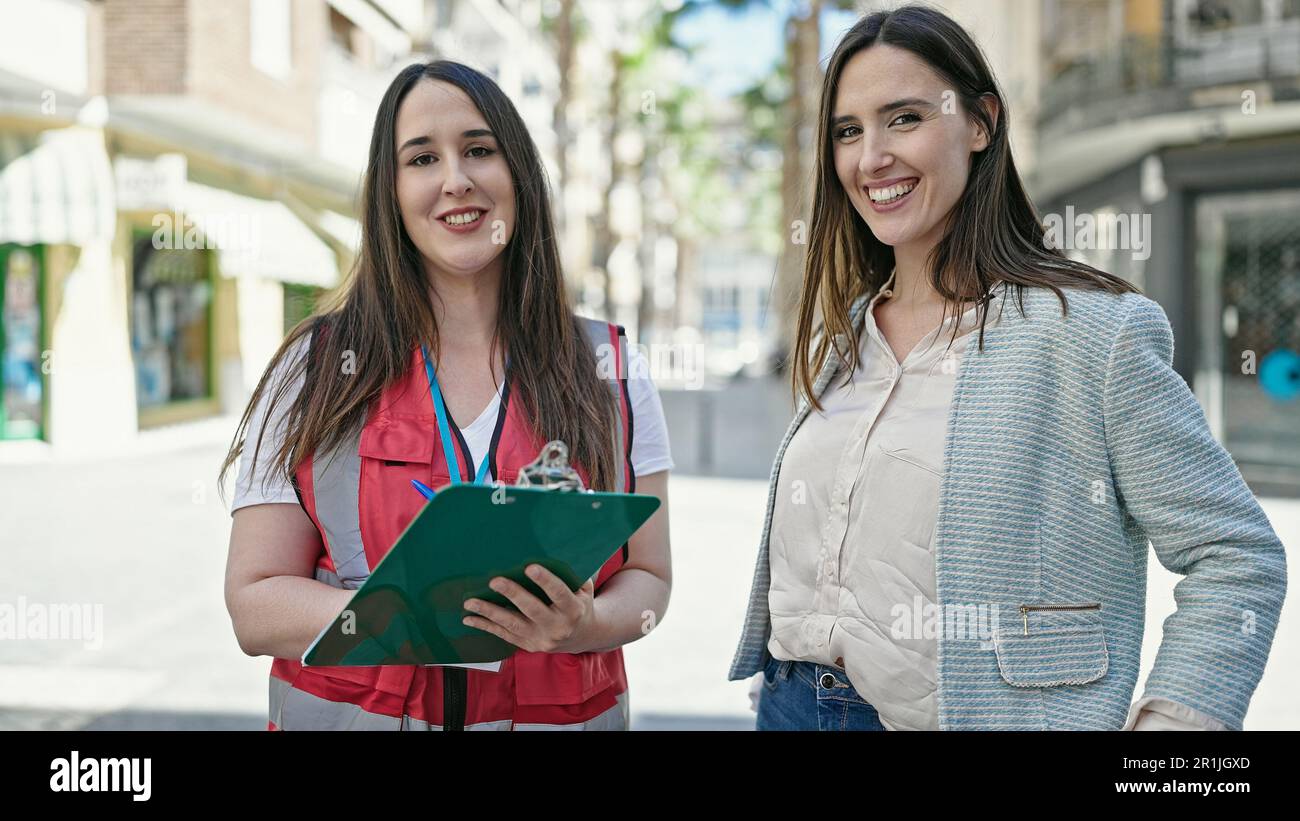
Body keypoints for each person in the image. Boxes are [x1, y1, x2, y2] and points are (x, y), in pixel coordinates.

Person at [729, 5, 1286, 731]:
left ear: (981, 121)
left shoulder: (1092, 333)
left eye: (903, 118)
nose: (871, 158)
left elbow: (1236, 554)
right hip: (792, 708)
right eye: (848, 131)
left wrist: (1171, 731)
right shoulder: (844, 339)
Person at [220, 60, 673, 731]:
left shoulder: (612, 367)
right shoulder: (311, 369)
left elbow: (651, 581)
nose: (455, 179)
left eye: (480, 150)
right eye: (422, 157)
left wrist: (581, 625)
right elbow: (254, 607)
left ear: (518, 172)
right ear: (391, 192)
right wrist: (416, 617)